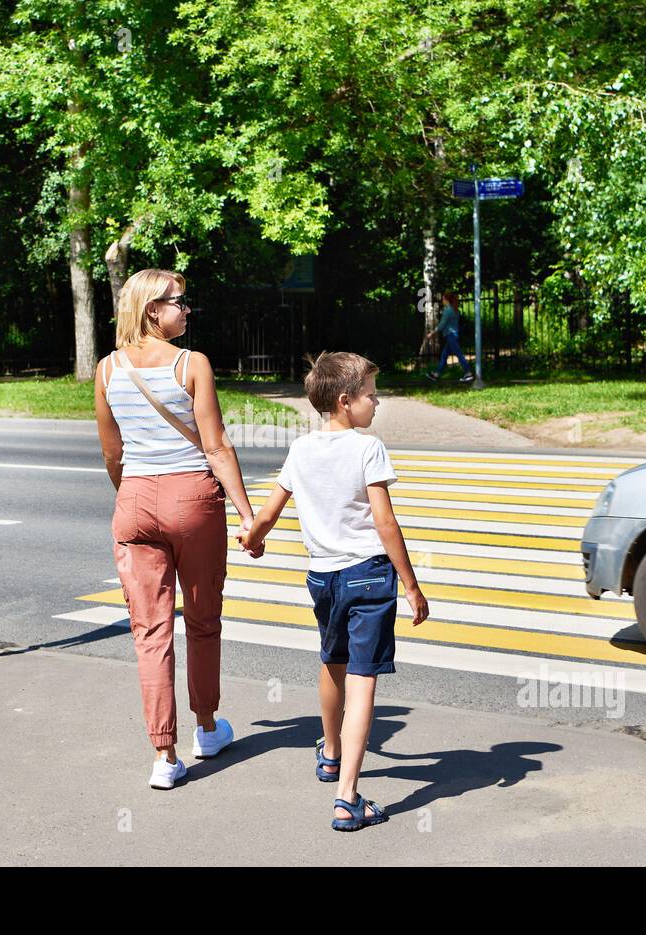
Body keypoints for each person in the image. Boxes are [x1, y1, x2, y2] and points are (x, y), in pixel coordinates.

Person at [241, 351, 430, 830]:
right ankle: (347, 797)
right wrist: (411, 584)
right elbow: (385, 523)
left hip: (322, 578)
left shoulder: (301, 450)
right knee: (364, 678)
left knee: (332, 660)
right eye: (370, 394)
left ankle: (330, 753)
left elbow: (269, 512)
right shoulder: (368, 449)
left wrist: (253, 539)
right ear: (346, 402)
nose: (377, 402)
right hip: (368, 574)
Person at [94, 268, 261, 790]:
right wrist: (248, 517)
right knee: (203, 619)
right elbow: (216, 447)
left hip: (135, 502)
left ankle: (163, 757)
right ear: (152, 311)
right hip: (193, 499)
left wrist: (135, 493)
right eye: (180, 303)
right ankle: (206, 728)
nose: (188, 311)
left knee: (150, 631)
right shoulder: (193, 364)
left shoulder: (106, 369)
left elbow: (112, 453)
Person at [426, 292, 474, 383]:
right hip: (452, 335)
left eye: (443, 299)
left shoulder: (447, 310)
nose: (442, 301)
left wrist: (432, 333)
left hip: (451, 335)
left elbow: (441, 325)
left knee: (459, 354)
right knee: (444, 356)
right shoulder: (454, 309)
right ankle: (436, 375)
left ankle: (468, 373)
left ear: (446, 300)